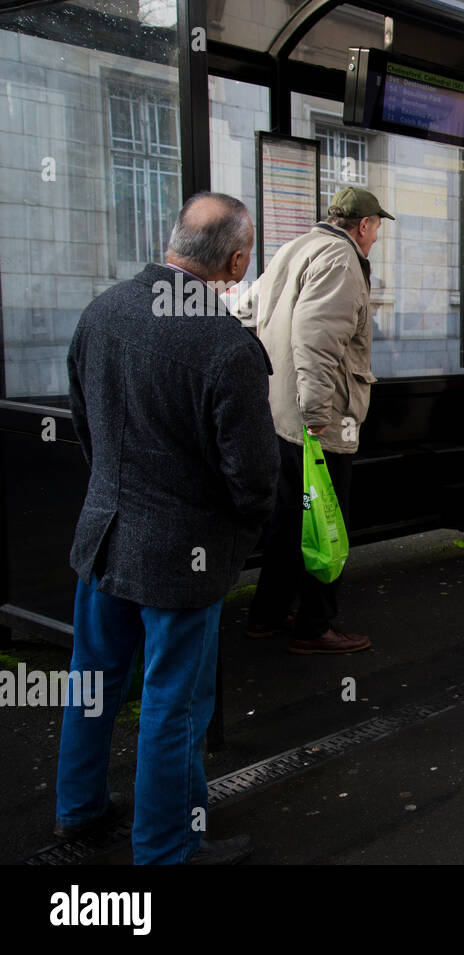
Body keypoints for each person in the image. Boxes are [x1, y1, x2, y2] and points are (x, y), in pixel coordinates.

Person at [58, 193, 278, 865]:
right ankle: (165, 847)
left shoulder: (102, 312)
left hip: (104, 538)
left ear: (174, 239)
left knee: (91, 679)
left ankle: (77, 808)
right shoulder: (226, 347)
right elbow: (255, 479)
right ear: (238, 261)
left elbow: (83, 421)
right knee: (172, 704)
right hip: (184, 558)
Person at [246, 187, 392, 654]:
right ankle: (315, 626)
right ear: (364, 225)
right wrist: (317, 414)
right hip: (319, 423)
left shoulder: (295, 247)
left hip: (278, 412)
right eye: (376, 229)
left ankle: (267, 615)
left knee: (289, 521)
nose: (375, 238)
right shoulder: (341, 259)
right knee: (326, 522)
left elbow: (248, 311)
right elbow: (317, 338)